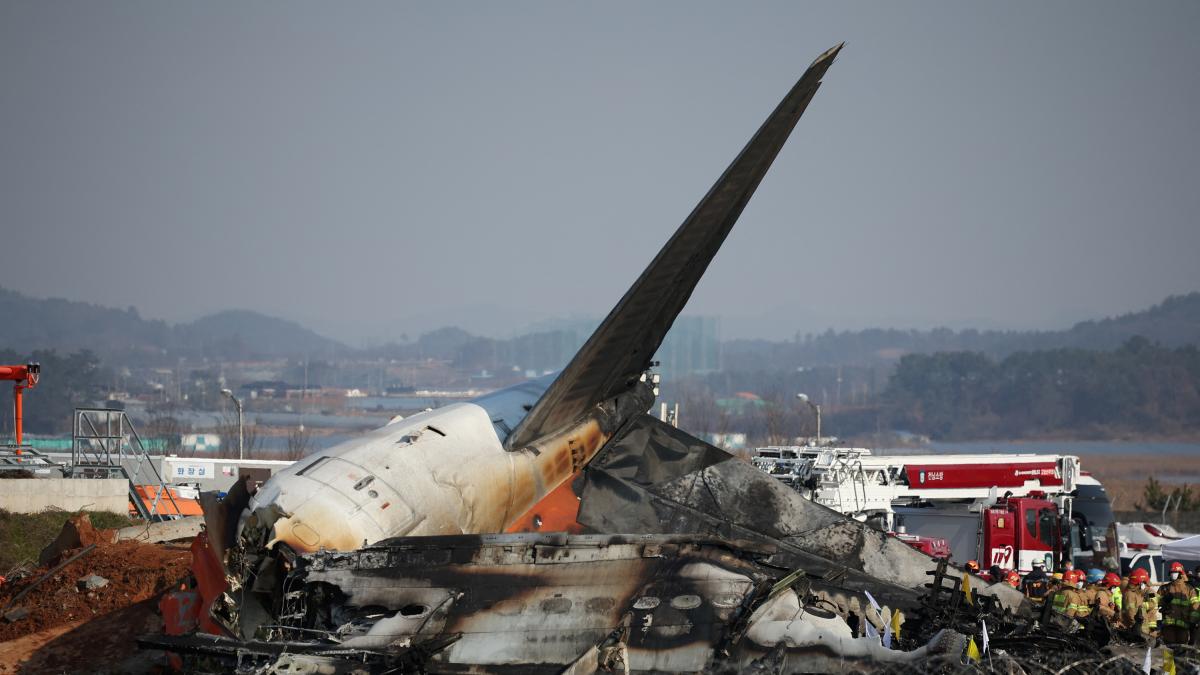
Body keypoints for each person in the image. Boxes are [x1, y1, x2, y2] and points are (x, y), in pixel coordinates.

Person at [1158, 561, 1196, 645]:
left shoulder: (1189, 589)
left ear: (1180, 573)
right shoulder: (1164, 588)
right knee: (1168, 650)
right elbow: (1156, 603)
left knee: (1181, 649)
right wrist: (1164, 601)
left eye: (1174, 572)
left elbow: (1194, 606)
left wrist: (1192, 623)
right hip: (1168, 626)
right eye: (1171, 572)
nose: (1172, 574)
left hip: (1183, 626)